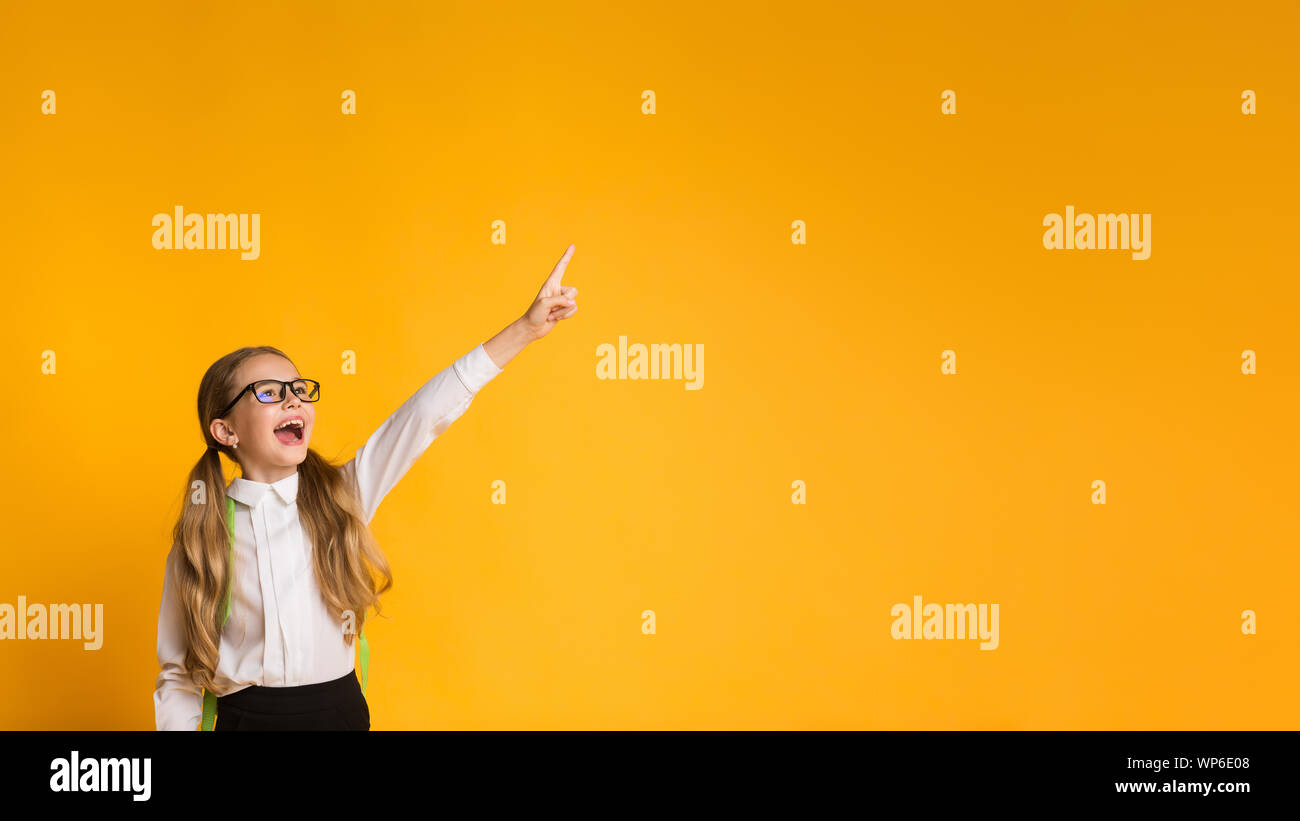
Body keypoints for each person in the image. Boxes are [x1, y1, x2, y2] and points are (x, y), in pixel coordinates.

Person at [153, 244, 579, 730]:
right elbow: (177, 675)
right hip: (245, 718)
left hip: (338, 715)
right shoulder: (202, 535)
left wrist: (523, 330)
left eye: (298, 389)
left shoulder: (342, 495)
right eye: (269, 392)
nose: (292, 399)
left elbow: (421, 419)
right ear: (226, 431)